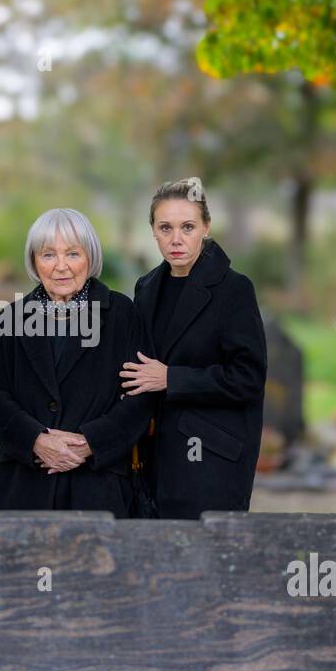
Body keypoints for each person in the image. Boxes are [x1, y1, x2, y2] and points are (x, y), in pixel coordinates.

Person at [0, 208, 155, 517]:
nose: (61, 267)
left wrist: (91, 442)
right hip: (22, 484)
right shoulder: (12, 317)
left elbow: (142, 394)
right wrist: (35, 440)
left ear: (90, 257)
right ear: (34, 260)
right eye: (48, 255)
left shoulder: (121, 314)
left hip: (96, 485)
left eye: (72, 253)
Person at [121, 179, 268, 518]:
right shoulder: (146, 288)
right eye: (165, 227)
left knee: (206, 562)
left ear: (206, 227)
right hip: (152, 454)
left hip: (211, 460)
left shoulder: (234, 290)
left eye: (187, 227)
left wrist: (172, 378)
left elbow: (247, 378)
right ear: (153, 231)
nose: (176, 239)